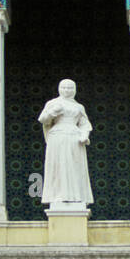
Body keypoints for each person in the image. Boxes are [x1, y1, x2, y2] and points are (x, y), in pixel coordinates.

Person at [38, 78, 94, 207]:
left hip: (74, 138)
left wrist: (84, 135)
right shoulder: (53, 103)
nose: (67, 90)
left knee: (74, 166)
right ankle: (58, 195)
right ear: (59, 89)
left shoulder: (79, 106)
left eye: (70, 88)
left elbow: (85, 124)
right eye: (64, 88)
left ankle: (76, 196)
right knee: (59, 165)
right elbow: (43, 120)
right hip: (57, 137)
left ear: (74, 90)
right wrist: (53, 112)